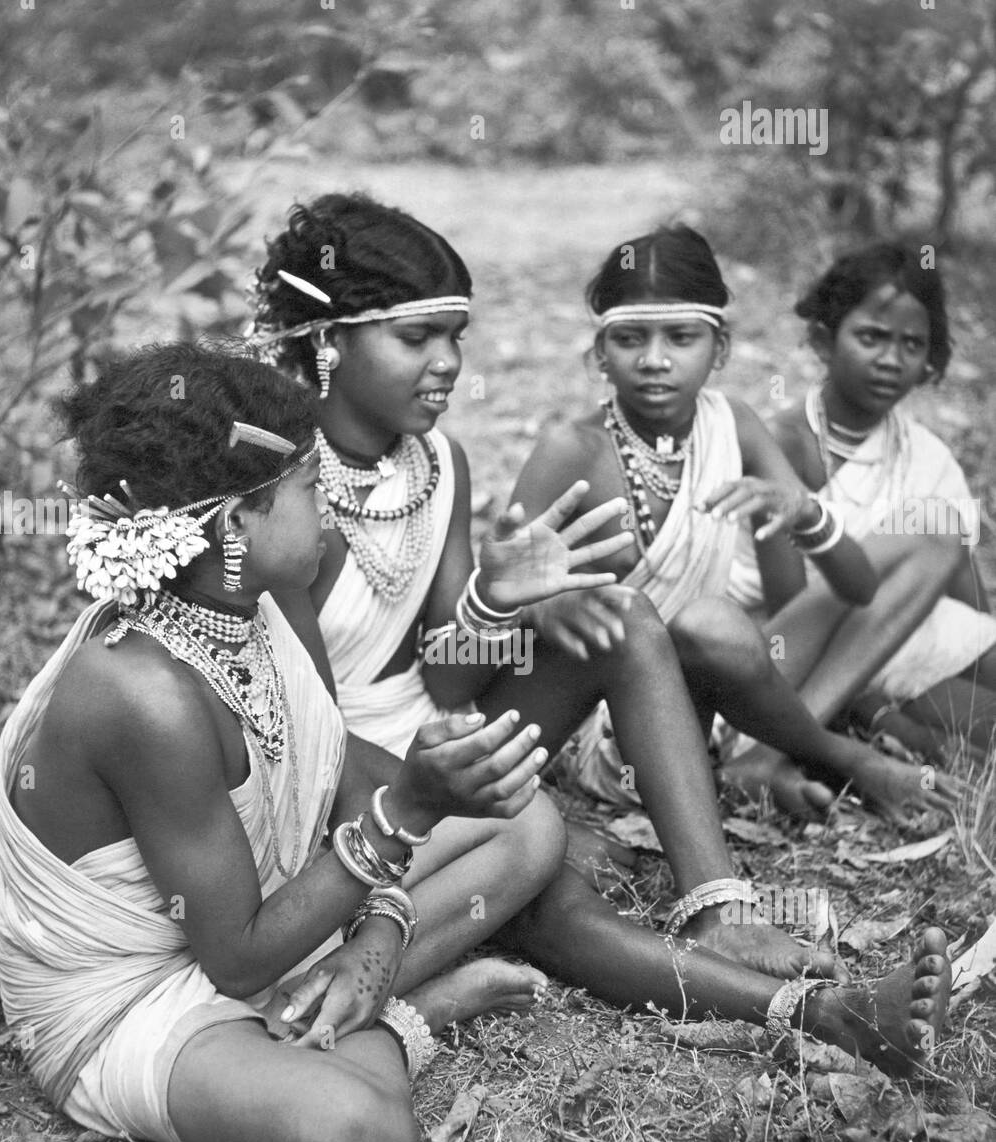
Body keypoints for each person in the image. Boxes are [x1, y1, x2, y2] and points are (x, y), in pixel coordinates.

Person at [247, 194, 951, 1072]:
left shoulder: (438, 463)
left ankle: (713, 906)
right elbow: (309, 727)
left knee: (619, 616)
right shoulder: (276, 491)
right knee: (545, 885)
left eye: (455, 335)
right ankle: (823, 1015)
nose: (447, 363)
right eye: (417, 337)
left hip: (435, 723)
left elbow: (455, 681)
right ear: (329, 342)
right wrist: (437, 803)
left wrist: (500, 605)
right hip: (329, 762)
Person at [0, 342, 578, 1142]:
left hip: (263, 931)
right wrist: (408, 809)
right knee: (359, 1135)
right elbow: (235, 961)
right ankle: (406, 1013)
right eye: (309, 487)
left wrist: (377, 926)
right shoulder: (140, 691)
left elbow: (335, 782)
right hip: (140, 997)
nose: (332, 511)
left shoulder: (257, 605)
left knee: (527, 824)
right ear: (233, 528)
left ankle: (347, 1000)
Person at [507, 224, 958, 823]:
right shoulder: (570, 450)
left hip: (721, 688)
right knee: (712, 623)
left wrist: (808, 516)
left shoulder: (734, 424)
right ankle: (841, 755)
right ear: (599, 354)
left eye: (682, 337)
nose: (656, 361)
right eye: (631, 339)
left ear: (719, 349)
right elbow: (503, 615)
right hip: (624, 731)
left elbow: (857, 590)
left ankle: (763, 759)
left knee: (931, 542)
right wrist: (543, 608)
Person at [727, 242, 996, 772]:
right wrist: (883, 719)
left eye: (912, 344)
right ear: (826, 341)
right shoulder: (781, 445)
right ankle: (783, 749)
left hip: (905, 636)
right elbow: (793, 616)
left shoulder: (926, 456)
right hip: (804, 658)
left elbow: (970, 607)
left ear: (929, 362)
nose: (891, 360)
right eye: (871, 337)